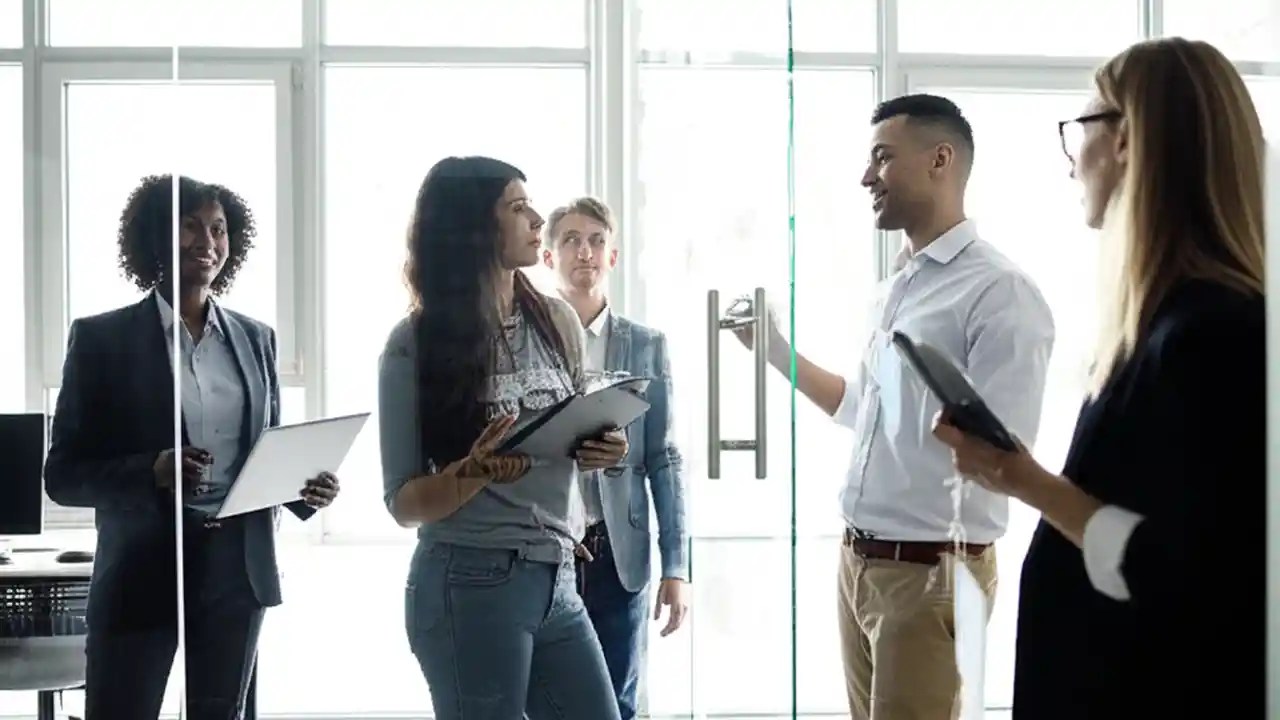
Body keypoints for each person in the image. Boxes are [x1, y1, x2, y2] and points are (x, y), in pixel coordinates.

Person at [933, 37, 1267, 719]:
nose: (1069, 162)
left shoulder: (1214, 333)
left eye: (1079, 128)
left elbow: (1186, 574)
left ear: (1125, 140)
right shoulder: (1166, 325)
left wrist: (1020, 479)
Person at [734, 94, 1055, 719]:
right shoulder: (898, 287)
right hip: (860, 567)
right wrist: (777, 352)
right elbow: (864, 410)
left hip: (931, 577)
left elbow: (1005, 455)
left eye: (881, 158)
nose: (865, 177)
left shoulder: (1000, 292)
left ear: (940, 159)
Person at [44, 174, 340, 719]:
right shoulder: (101, 340)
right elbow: (62, 475)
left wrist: (306, 490)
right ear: (156, 235)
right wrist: (150, 471)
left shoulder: (256, 339)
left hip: (236, 567)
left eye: (219, 229)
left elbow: (263, 449)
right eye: (190, 226)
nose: (208, 241)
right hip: (141, 569)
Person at [378, 156, 628, 719]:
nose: (537, 219)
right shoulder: (412, 345)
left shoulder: (558, 321)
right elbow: (402, 502)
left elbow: (568, 435)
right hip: (469, 581)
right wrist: (475, 472)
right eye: (518, 208)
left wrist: (605, 447)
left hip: (558, 574)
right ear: (473, 226)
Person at [542, 196, 689, 720]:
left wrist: (677, 566)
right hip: (546, 547)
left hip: (616, 551)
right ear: (547, 257)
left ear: (613, 257)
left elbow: (665, 459)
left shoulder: (646, 344)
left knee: (618, 702)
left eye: (597, 240)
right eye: (571, 240)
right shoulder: (526, 343)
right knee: (547, 701)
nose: (585, 251)